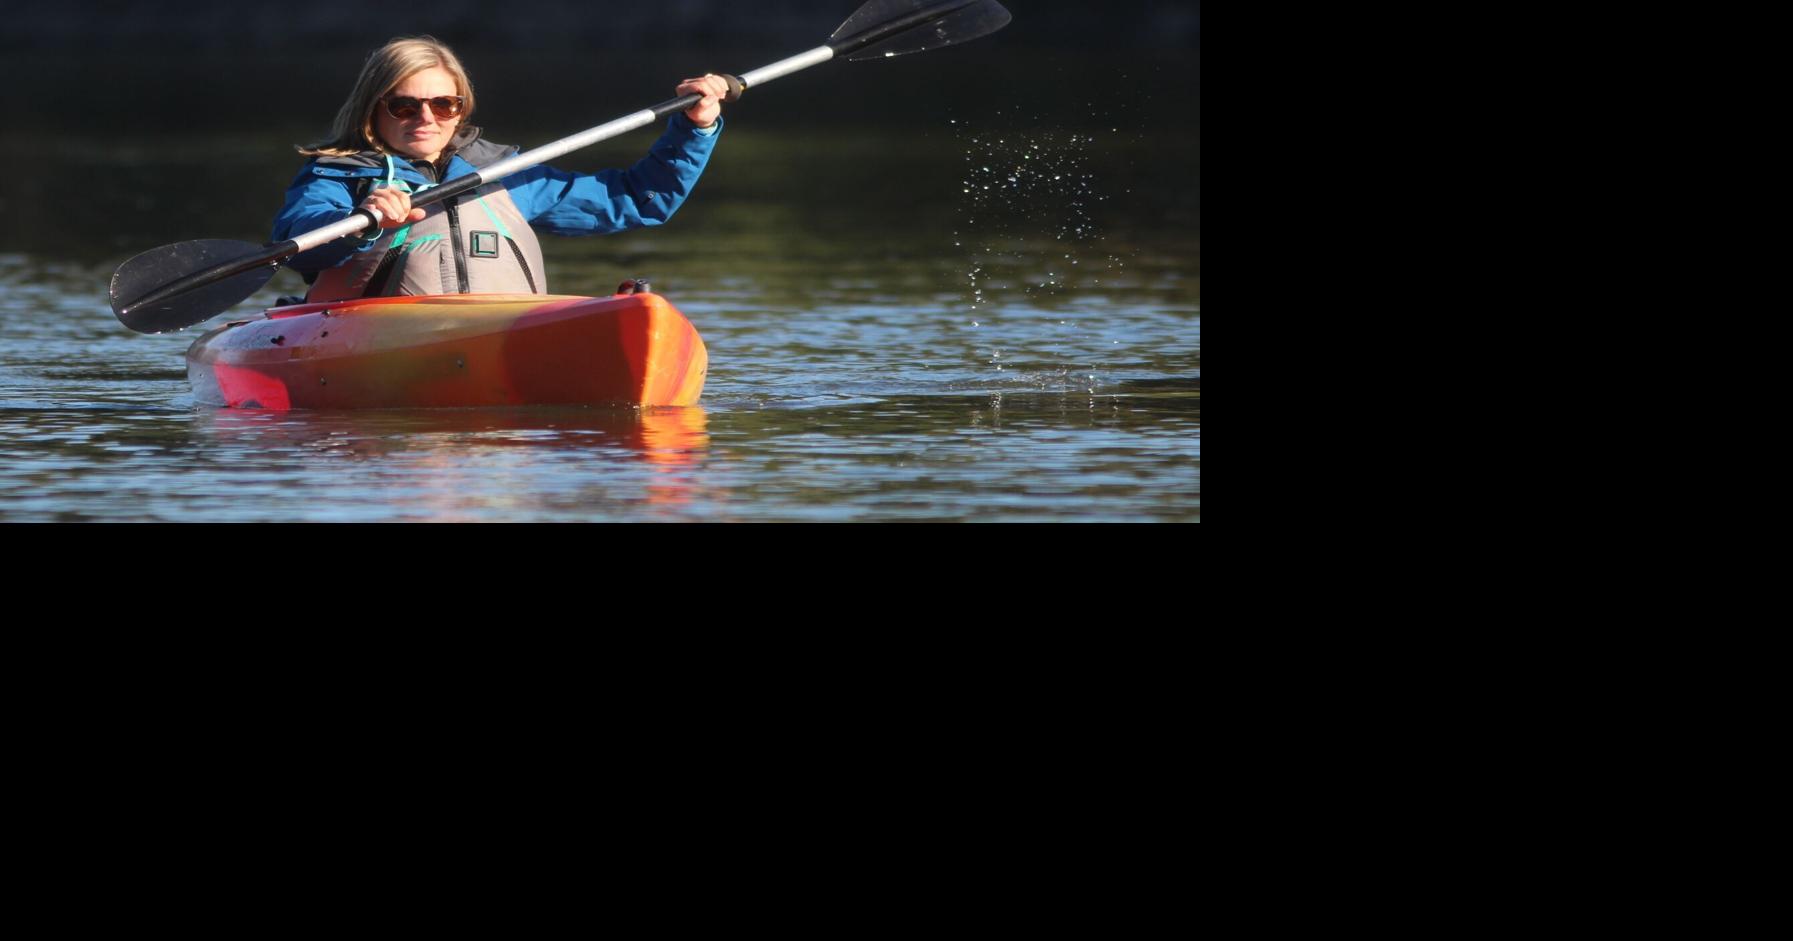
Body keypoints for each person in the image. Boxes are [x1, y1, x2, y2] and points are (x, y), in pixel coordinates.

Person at [273, 36, 727, 301]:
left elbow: (635, 200)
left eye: (444, 104)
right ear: (375, 110)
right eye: (404, 105)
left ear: (461, 107)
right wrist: (362, 225)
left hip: (498, 329)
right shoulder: (337, 176)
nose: (427, 118)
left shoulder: (506, 173)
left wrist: (694, 129)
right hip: (372, 336)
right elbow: (299, 242)